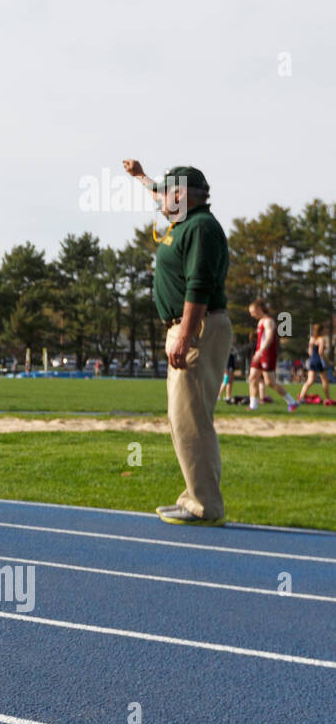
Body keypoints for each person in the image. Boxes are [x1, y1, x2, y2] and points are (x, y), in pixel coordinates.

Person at [123, 160, 232, 525]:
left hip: (197, 327)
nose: (160, 200)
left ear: (182, 194)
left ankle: (205, 506)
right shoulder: (187, 222)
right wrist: (141, 177)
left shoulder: (200, 227)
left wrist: (184, 333)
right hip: (189, 327)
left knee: (192, 419)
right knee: (183, 418)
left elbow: (198, 284)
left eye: (167, 192)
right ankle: (194, 497)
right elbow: (160, 194)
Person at [245, 299, 298, 412]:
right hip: (259, 353)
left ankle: (292, 402)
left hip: (267, 354)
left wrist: (260, 351)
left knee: (270, 382)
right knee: (252, 378)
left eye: (252, 311)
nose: (251, 314)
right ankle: (253, 405)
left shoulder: (269, 321)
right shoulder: (260, 322)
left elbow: (269, 338)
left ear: (259, 309)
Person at [294, 322, 332, 404]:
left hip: (312, 360)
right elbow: (321, 351)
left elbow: (310, 352)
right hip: (319, 361)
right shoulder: (321, 339)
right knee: (325, 381)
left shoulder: (312, 339)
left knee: (309, 381)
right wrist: (327, 361)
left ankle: (301, 397)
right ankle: (328, 399)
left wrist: (313, 358)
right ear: (321, 330)